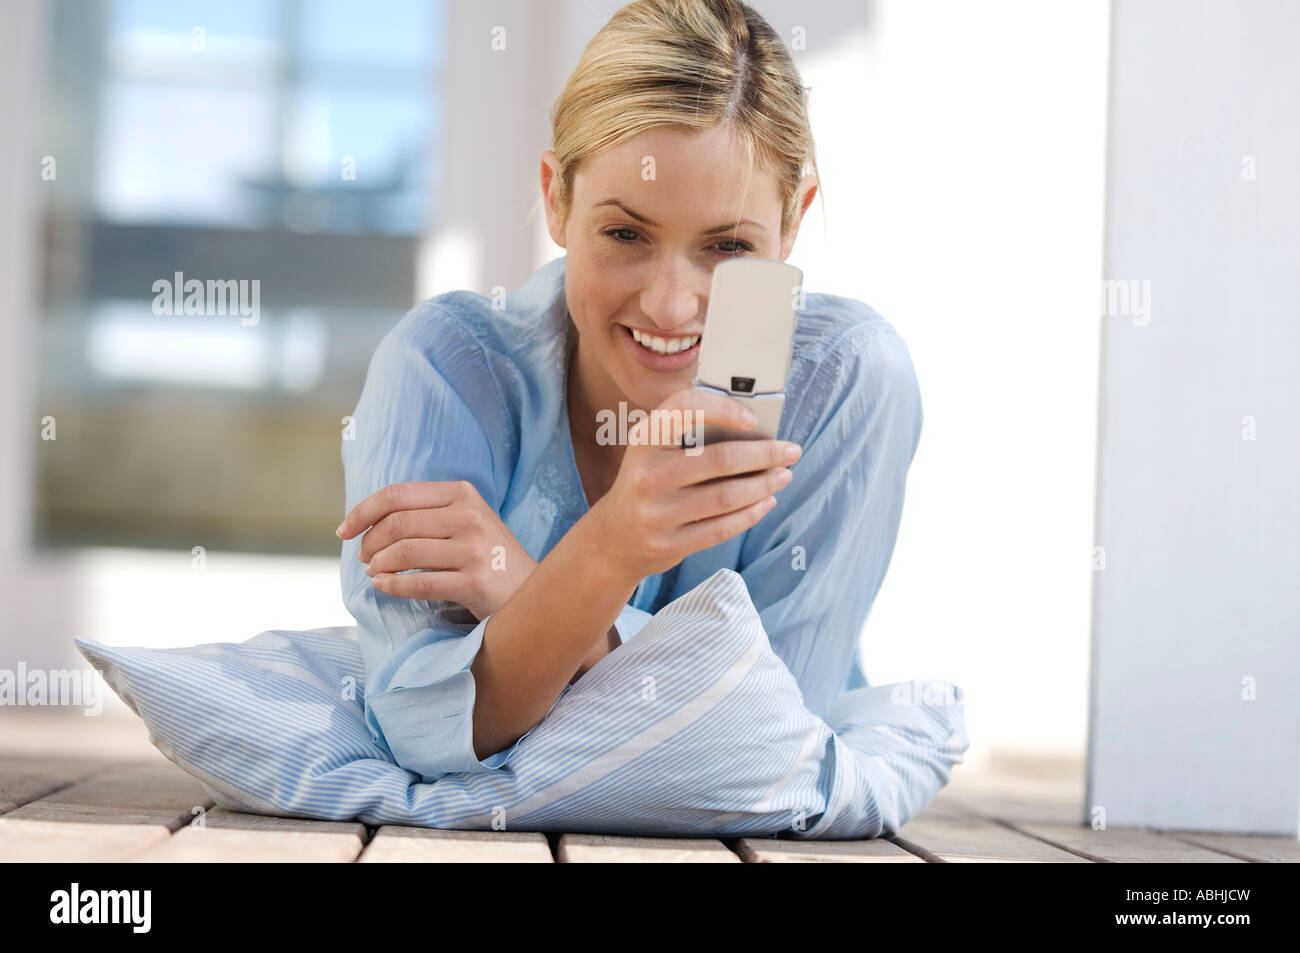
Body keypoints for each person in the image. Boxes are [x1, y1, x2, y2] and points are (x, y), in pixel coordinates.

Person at [335, 0, 963, 823]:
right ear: (556, 198)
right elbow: (419, 731)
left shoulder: (846, 382)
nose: (671, 306)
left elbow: (760, 755)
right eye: (626, 234)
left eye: (728, 247)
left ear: (793, 221)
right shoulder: (445, 370)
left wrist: (550, 581)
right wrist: (606, 567)